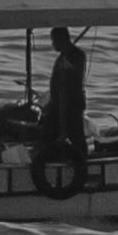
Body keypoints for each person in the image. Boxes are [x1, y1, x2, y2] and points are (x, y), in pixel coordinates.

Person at [41, 24, 89, 158]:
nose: (53, 44)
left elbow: (77, 73)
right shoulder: (61, 57)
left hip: (72, 105)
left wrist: (68, 68)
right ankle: (47, 158)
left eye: (54, 40)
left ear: (62, 39)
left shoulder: (77, 54)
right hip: (56, 105)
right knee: (48, 133)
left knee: (76, 136)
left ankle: (82, 161)